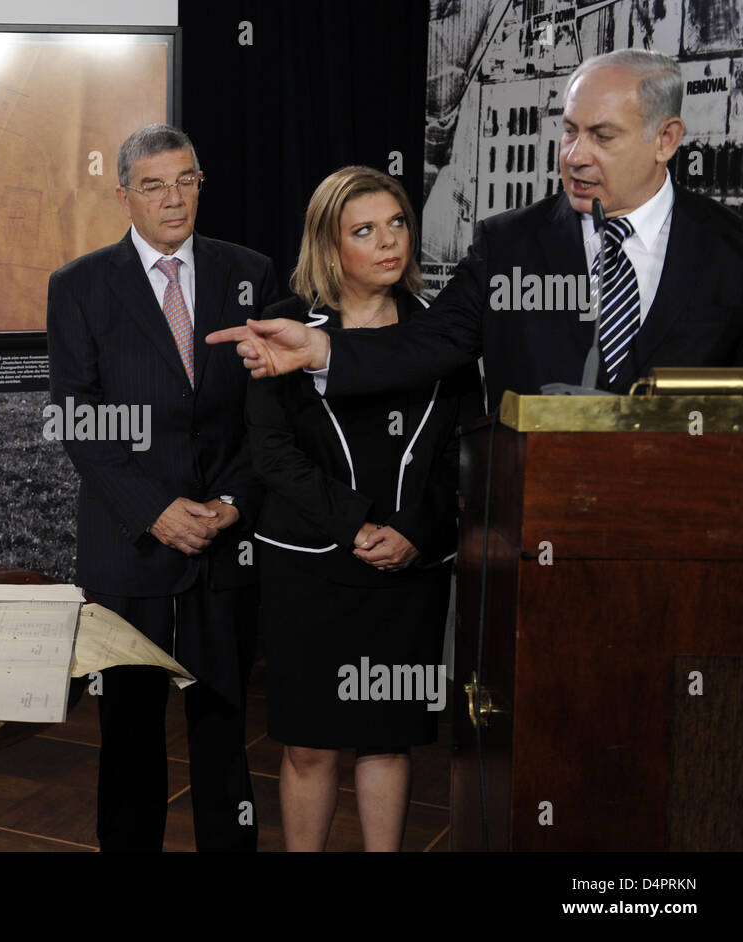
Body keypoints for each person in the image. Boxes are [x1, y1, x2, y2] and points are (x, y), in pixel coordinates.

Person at [207, 49, 743, 407]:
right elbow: (430, 343)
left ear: (666, 139)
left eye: (602, 136)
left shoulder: (729, 248)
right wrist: (324, 349)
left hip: (689, 539)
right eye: (569, 132)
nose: (575, 156)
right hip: (533, 534)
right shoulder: (509, 244)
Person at [47, 123, 278, 851]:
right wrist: (154, 511)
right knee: (128, 736)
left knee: (222, 732)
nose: (173, 199)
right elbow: (78, 417)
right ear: (124, 195)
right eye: (153, 185)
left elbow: (266, 415)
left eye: (186, 180)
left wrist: (229, 507)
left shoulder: (251, 274)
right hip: (129, 547)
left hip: (223, 543)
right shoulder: (79, 286)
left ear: (200, 183)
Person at [248, 166, 482, 851]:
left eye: (398, 223)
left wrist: (414, 531)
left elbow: (459, 455)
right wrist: (355, 522)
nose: (390, 242)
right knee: (311, 749)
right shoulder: (284, 327)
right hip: (311, 570)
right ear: (329, 247)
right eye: (365, 230)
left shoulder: (442, 334)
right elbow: (272, 454)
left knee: (387, 742)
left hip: (408, 572)